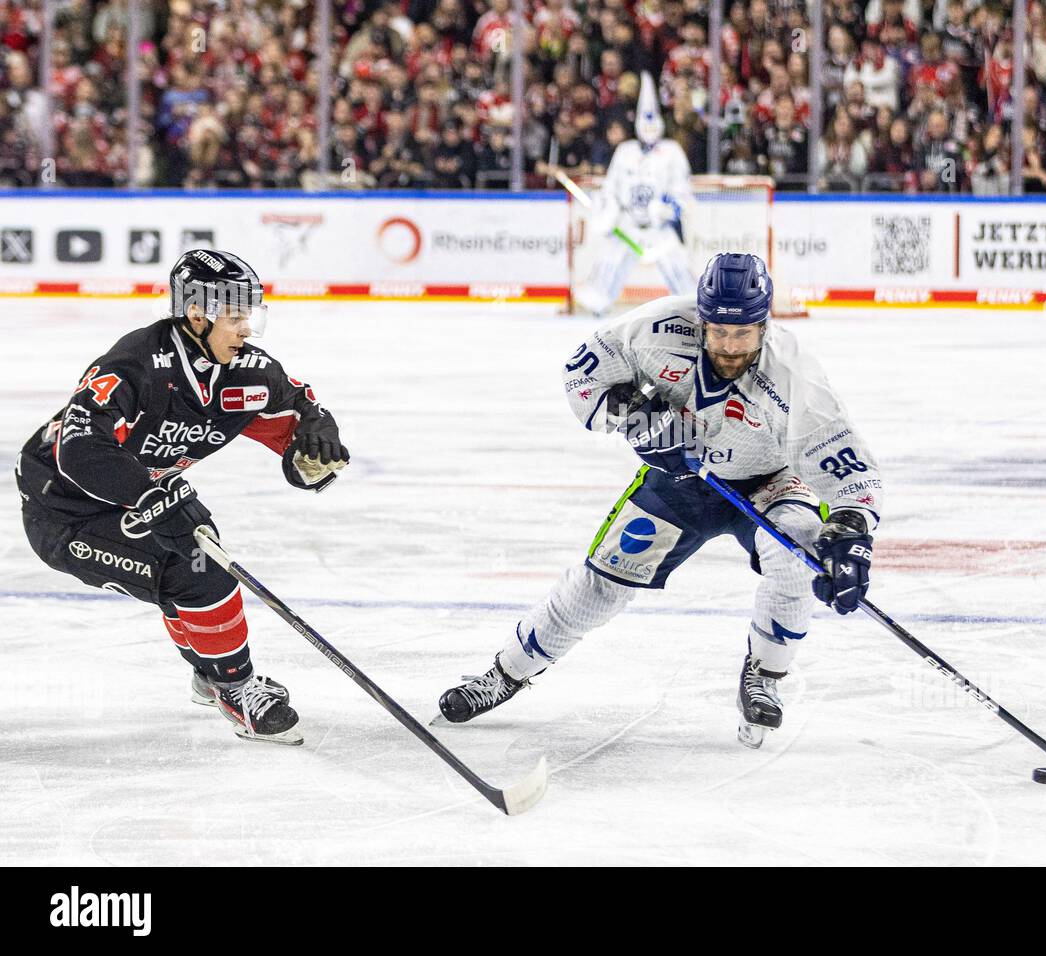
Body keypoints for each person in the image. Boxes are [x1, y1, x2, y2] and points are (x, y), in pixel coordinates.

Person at [437, 253, 883, 748]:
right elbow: (580, 375)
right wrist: (631, 414)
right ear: (701, 319)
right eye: (719, 332)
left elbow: (843, 465)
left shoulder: (794, 375)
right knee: (600, 585)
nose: (730, 347)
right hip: (679, 484)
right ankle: (504, 673)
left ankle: (765, 675)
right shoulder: (654, 329)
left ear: (764, 323)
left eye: (744, 334)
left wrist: (850, 534)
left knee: (798, 556)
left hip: (769, 481)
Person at [15, 250, 349, 746]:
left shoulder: (247, 370)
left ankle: (209, 667)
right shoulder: (137, 364)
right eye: (236, 317)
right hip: (64, 510)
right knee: (196, 565)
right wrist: (152, 497)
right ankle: (233, 686)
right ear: (198, 314)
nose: (247, 330)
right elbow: (80, 447)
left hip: (132, 494)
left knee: (192, 556)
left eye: (249, 315)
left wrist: (315, 439)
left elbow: (298, 405)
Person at [574, 72, 695, 315]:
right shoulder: (625, 151)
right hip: (628, 222)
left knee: (677, 265)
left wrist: (668, 209)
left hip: (659, 225)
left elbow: (682, 189)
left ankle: (692, 306)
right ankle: (599, 300)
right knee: (611, 259)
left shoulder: (672, 151)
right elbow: (611, 188)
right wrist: (607, 212)